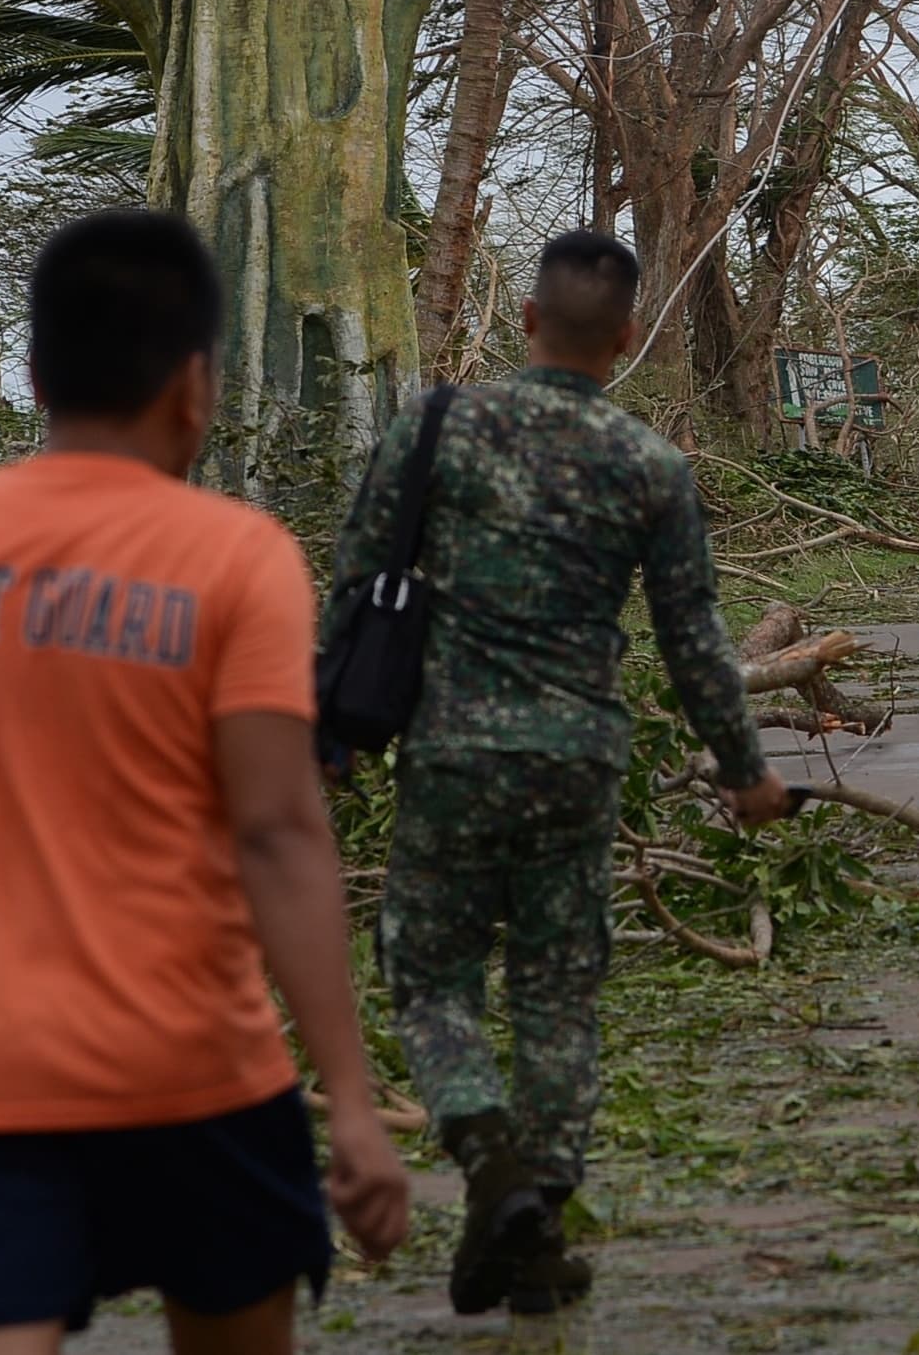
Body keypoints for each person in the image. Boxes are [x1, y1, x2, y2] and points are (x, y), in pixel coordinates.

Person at [0, 208, 412, 1355]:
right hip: (195, 1070)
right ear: (196, 384)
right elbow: (279, 831)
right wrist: (352, 1099)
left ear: (34, 376)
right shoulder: (238, 558)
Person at [337, 229, 797, 1317]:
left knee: (431, 972)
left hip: (448, 753)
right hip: (578, 764)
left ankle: (484, 1146)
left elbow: (358, 581)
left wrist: (338, 733)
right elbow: (693, 638)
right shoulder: (650, 466)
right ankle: (534, 1223)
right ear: (628, 337)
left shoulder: (436, 428)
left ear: (529, 321)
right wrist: (745, 772)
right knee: (556, 996)